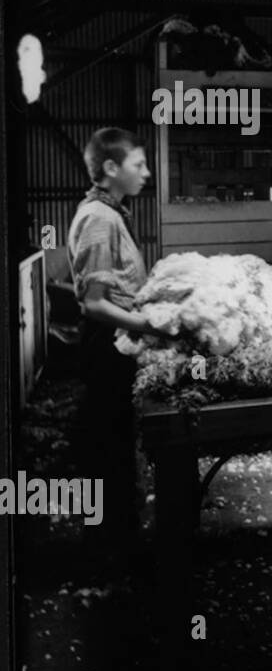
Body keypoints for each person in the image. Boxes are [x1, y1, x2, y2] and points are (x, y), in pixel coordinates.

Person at [67, 129, 176, 562]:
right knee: (108, 450)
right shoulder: (99, 218)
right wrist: (153, 324)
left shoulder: (112, 212)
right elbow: (94, 304)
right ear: (111, 169)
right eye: (139, 165)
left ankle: (117, 545)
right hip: (106, 346)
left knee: (114, 447)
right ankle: (111, 555)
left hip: (116, 344)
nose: (147, 173)